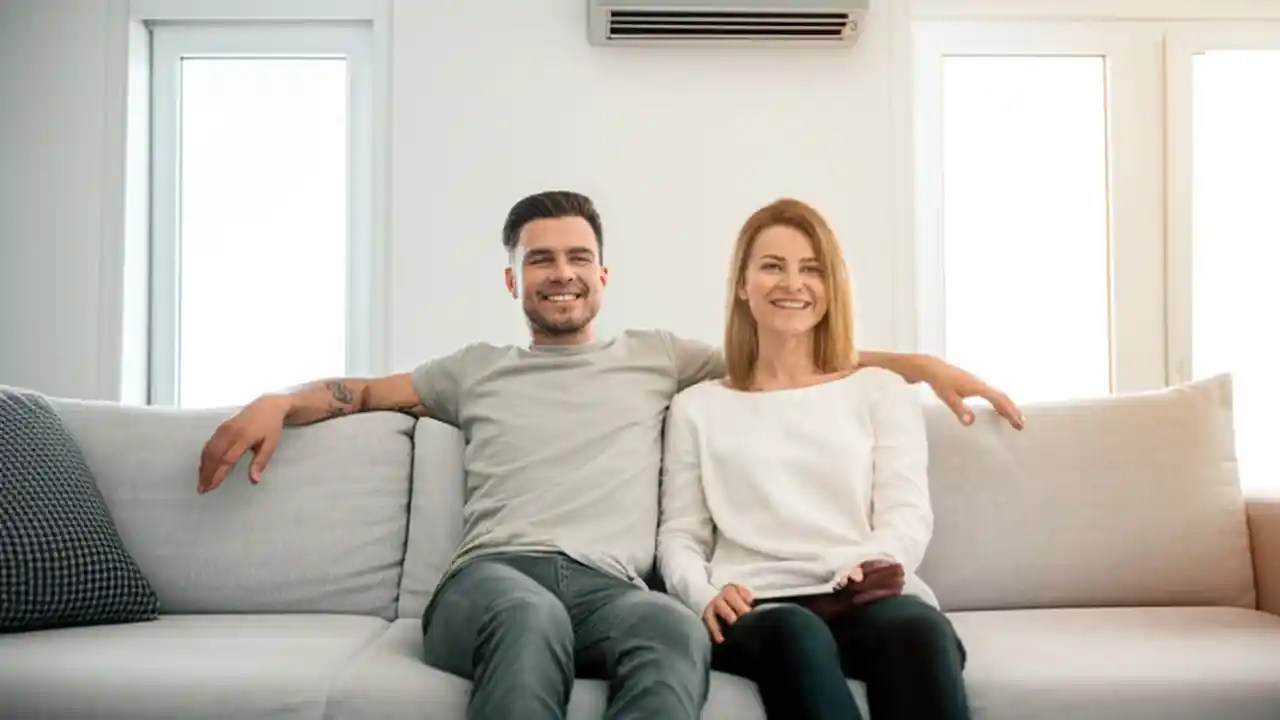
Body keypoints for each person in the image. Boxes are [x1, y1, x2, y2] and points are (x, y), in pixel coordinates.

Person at [197, 191, 1018, 720]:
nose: (562, 273)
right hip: (495, 578)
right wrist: (281, 400)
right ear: (514, 282)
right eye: (541, 260)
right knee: (529, 617)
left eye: (577, 257)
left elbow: (790, 358)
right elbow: (364, 393)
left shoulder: (662, 361)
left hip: (614, 590)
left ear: (603, 273)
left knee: (670, 627)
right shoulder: (474, 369)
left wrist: (922, 367)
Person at [659, 197, 971, 720]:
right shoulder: (697, 407)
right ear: (742, 284)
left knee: (919, 632)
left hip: (859, 596)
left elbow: (907, 513)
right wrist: (703, 594)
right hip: (758, 608)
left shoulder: (880, 392)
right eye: (772, 266)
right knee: (796, 632)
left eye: (811, 269)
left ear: (831, 287)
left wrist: (871, 563)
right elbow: (680, 535)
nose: (793, 283)